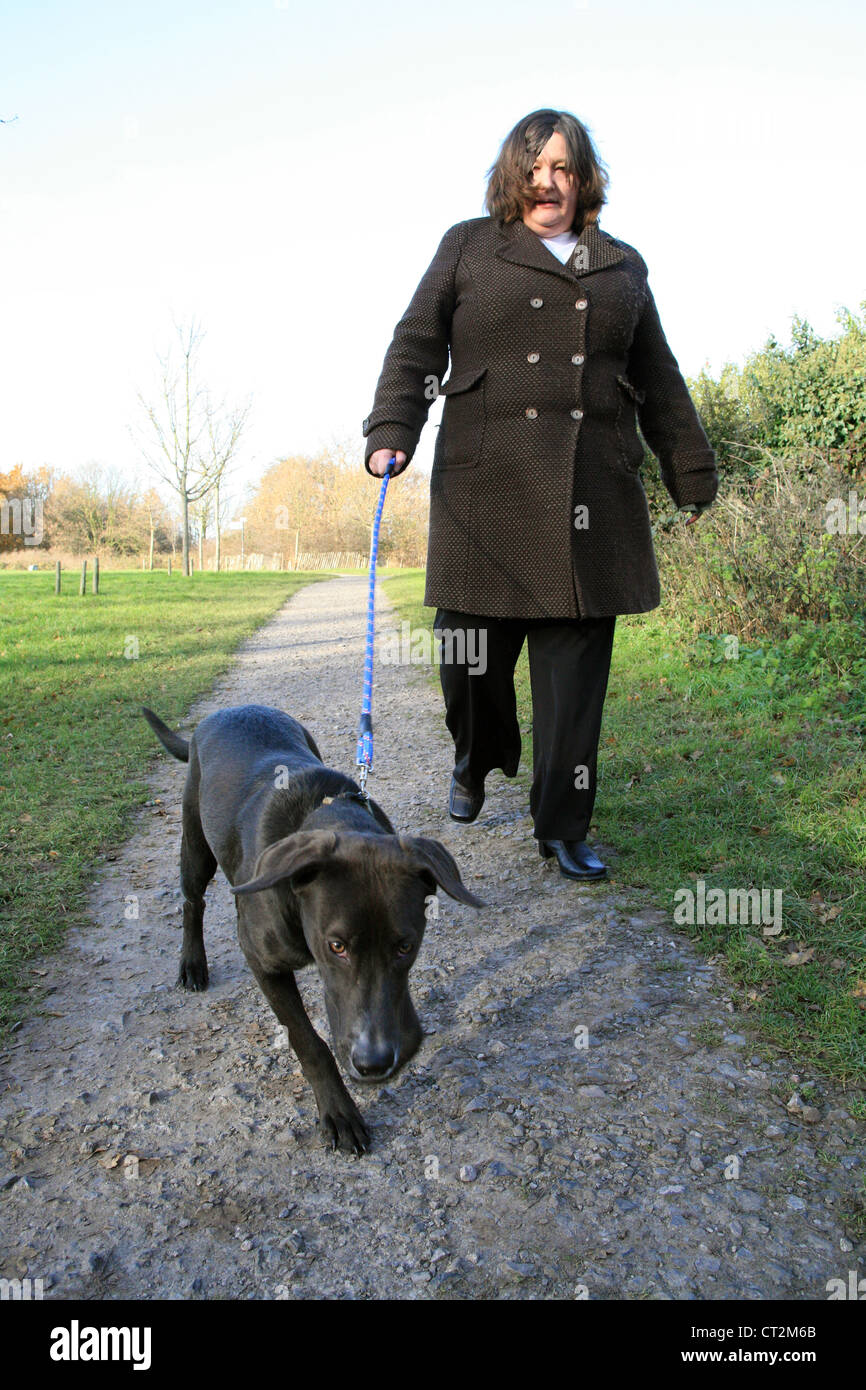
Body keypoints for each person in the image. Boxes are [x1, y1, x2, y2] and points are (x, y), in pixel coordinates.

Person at [363, 109, 718, 880]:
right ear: (512, 174)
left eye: (562, 167)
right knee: (468, 659)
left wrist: (688, 468)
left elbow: (658, 375)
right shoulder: (467, 246)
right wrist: (394, 426)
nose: (547, 181)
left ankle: (562, 825)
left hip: (591, 497)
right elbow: (416, 341)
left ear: (583, 177)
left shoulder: (622, 266)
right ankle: (477, 756)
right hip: (486, 491)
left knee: (574, 689)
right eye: (534, 166)